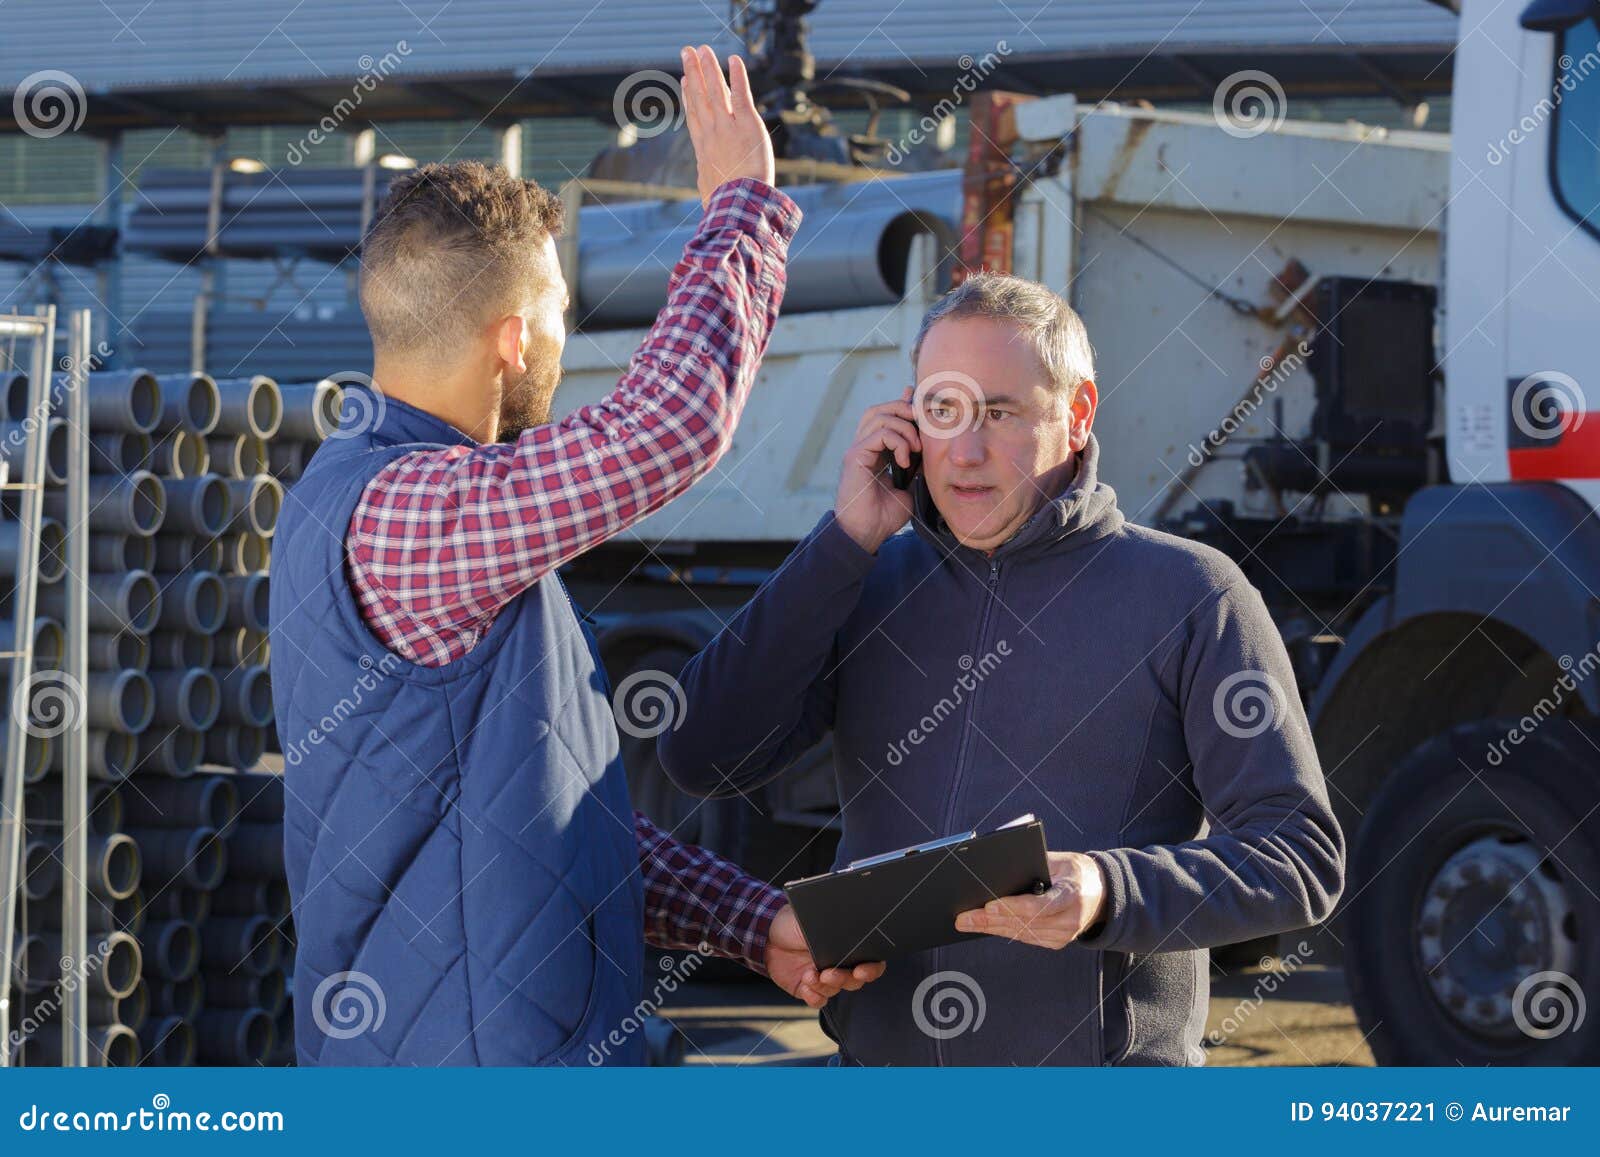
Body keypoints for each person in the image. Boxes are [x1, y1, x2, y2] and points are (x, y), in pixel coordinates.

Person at [269, 46, 882, 1067]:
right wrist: (740, 207)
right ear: (513, 337)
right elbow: (666, 425)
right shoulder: (407, 514)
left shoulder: (409, 511)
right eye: (560, 312)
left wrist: (750, 920)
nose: (566, 333)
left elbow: (546, 820)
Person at [658, 271, 1345, 1065]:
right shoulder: (863, 581)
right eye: (944, 410)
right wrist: (840, 542)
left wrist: (1106, 890)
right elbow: (699, 754)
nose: (968, 449)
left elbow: (1299, 855)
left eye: (1002, 412)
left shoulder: (1193, 594)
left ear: (1078, 414)